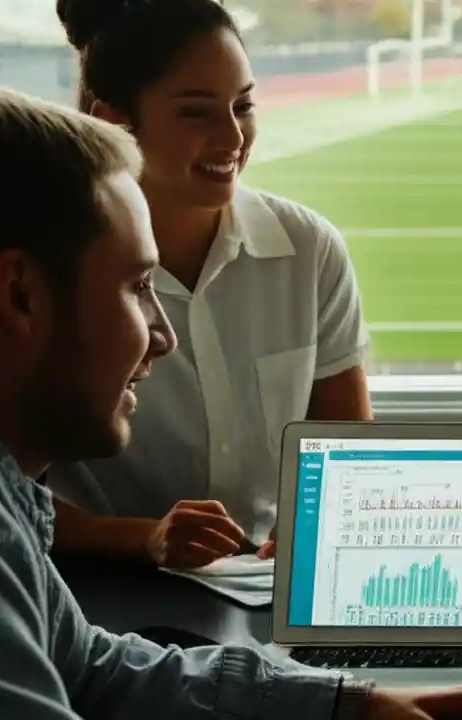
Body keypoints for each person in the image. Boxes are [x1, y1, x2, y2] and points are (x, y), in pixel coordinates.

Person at [0, 83, 462, 720]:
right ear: (19, 294)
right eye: (136, 288)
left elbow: (94, 668)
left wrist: (355, 707)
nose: (163, 335)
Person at [47, 0, 374, 569]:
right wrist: (142, 539)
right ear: (112, 120)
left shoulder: (310, 250)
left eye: (242, 106)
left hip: (262, 596)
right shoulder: (46, 262)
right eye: (197, 114)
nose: (233, 138)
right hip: (94, 597)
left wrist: (304, 538)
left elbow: (348, 463)